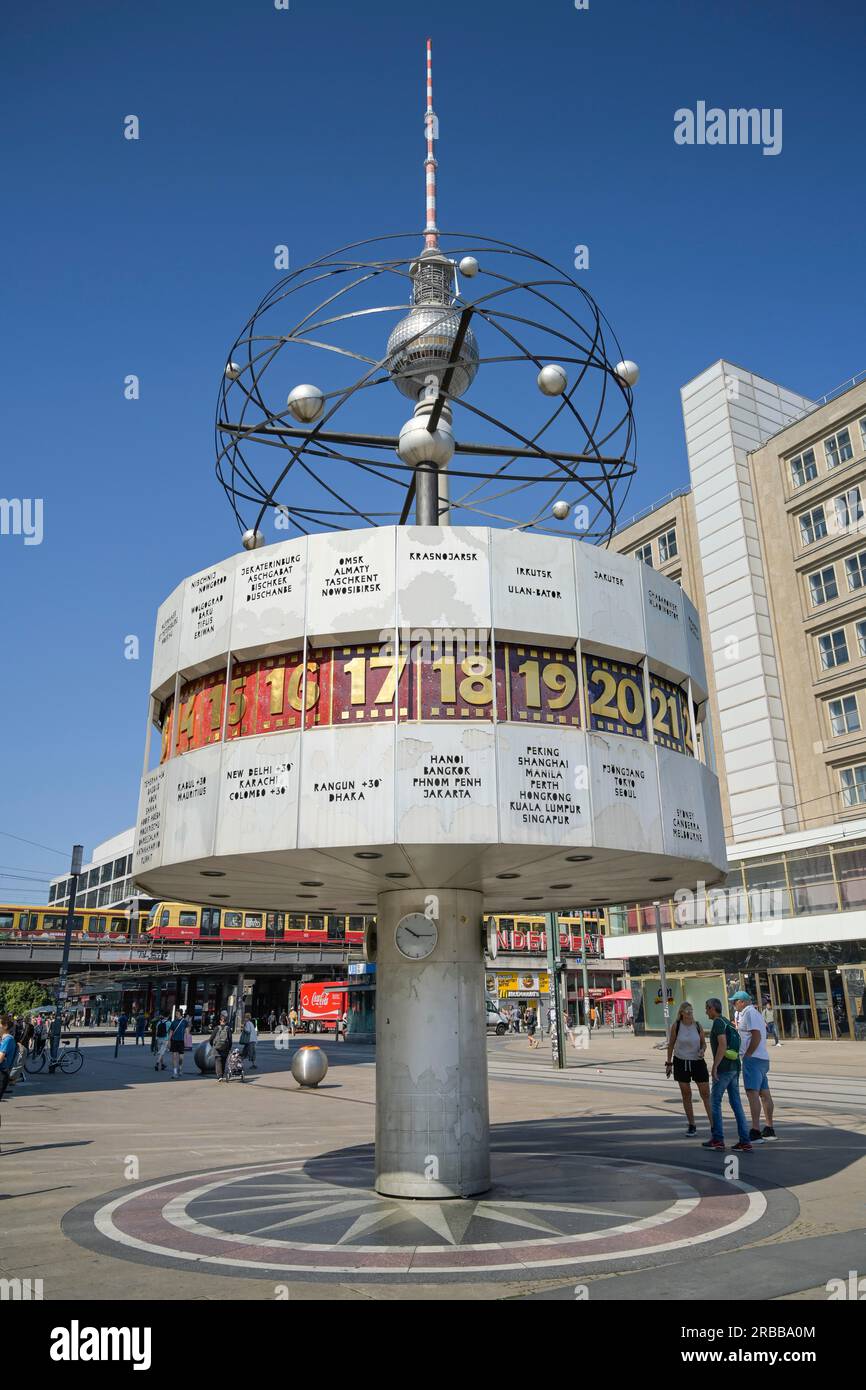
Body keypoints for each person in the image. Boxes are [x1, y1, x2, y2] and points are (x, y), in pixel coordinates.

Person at [703, 998, 751, 1152]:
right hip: (735, 1066)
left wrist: (715, 1066)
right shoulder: (728, 1022)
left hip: (724, 1068)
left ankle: (718, 1139)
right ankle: (745, 1140)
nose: (706, 1012)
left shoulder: (718, 1023)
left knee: (714, 1102)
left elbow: (722, 1044)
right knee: (736, 1103)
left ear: (712, 1008)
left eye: (706, 1008)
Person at [731, 990, 776, 1142]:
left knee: (752, 1094)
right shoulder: (755, 1013)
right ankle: (769, 1128)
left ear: (742, 1002)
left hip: (753, 1059)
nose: (733, 1004)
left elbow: (755, 1035)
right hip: (762, 1058)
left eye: (734, 1001)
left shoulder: (749, 1013)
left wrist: (748, 1054)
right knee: (765, 1094)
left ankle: (755, 1130)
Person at [665, 1001, 712, 1136]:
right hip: (681, 1062)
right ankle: (692, 1125)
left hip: (697, 1062)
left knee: (706, 1094)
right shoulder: (677, 1026)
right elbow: (671, 1044)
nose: (690, 1014)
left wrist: (703, 1050)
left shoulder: (697, 1026)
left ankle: (714, 1125)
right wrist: (669, 1063)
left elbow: (703, 1043)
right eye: (688, 1012)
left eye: (691, 1012)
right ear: (682, 1013)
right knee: (686, 1095)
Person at [209, 1011, 233, 1081]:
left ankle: (219, 1076)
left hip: (217, 1047)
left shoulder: (217, 1028)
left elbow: (211, 1038)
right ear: (226, 1021)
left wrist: (212, 1045)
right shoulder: (228, 1029)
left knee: (218, 1061)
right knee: (223, 1061)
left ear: (220, 1021)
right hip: (225, 1047)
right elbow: (230, 1040)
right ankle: (222, 1075)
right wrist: (229, 1048)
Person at [0, 1015, 17, 1104]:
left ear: (5, 1026)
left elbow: (0, 1059)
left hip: (2, 1074)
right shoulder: (3, 1039)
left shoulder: (8, 1040)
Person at [168, 1012, 189, 1079]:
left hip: (181, 1041)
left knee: (181, 1058)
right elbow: (171, 1032)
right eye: (176, 1013)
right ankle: (175, 1072)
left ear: (180, 1014)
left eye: (177, 1013)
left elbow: (187, 1032)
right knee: (174, 1057)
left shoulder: (184, 1022)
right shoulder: (173, 1022)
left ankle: (180, 1068)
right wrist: (169, 1041)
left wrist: (186, 1040)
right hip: (174, 1041)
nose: (176, 1014)